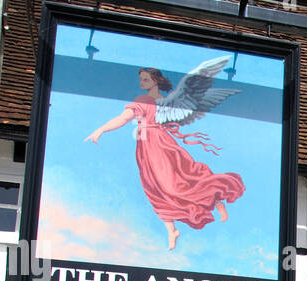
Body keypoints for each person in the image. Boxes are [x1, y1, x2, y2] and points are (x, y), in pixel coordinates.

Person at [85, 66, 245, 251]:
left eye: (145, 79)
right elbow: (126, 119)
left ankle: (217, 198)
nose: (142, 83)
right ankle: (173, 229)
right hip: (148, 148)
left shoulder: (145, 101)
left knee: (170, 184)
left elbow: (123, 119)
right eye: (141, 80)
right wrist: (102, 130)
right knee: (157, 187)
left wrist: (101, 130)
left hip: (157, 146)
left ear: (155, 81)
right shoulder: (163, 102)